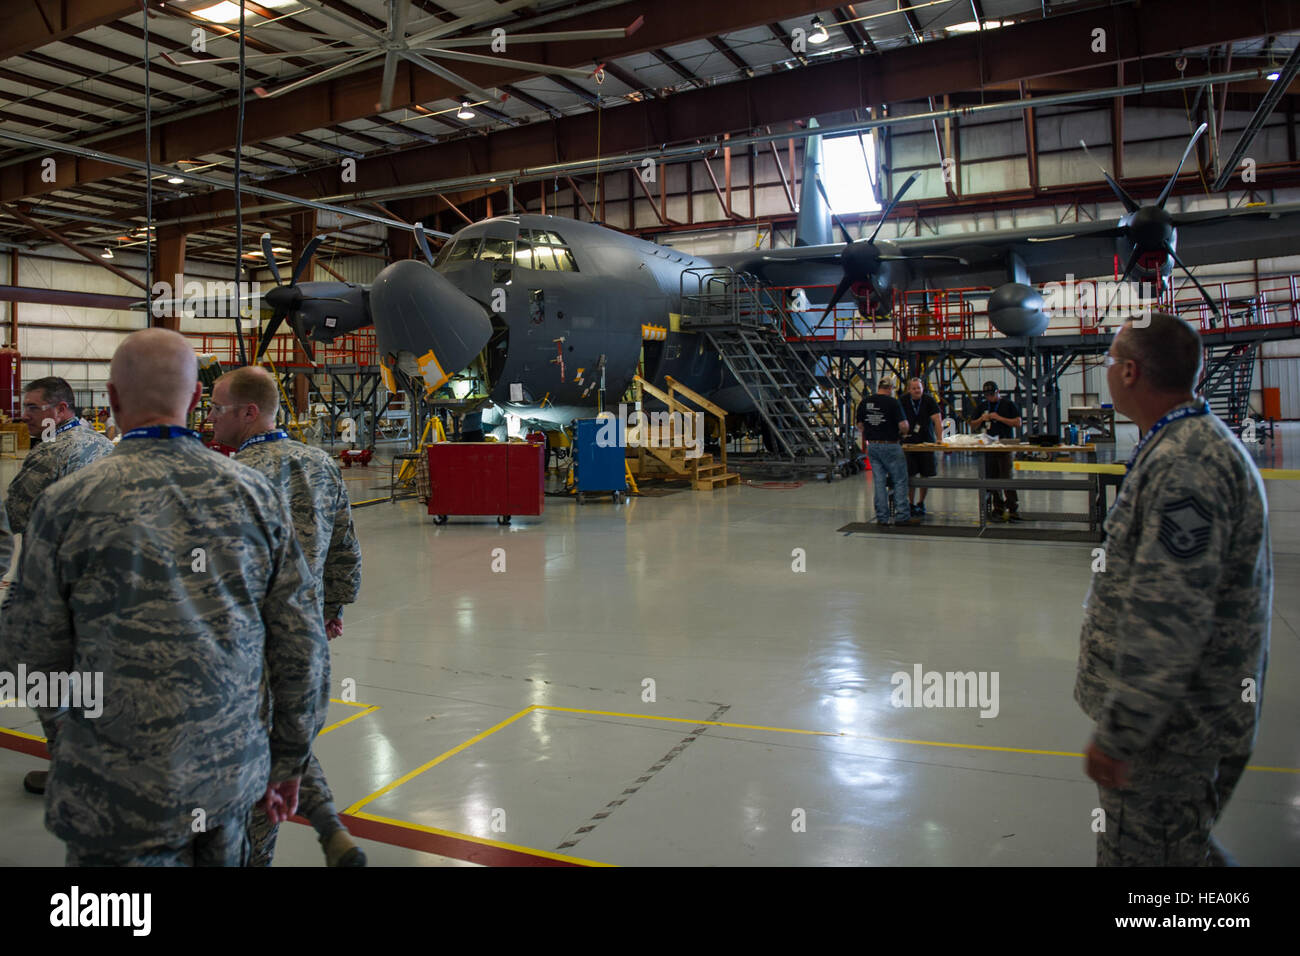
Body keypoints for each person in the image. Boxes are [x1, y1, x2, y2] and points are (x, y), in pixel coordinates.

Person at [0, 328, 328, 866]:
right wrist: (289, 760)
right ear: (197, 398)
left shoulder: (65, 504)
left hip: (112, 787)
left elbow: (28, 650)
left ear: (110, 398)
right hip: (226, 777)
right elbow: (302, 646)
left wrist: (70, 731)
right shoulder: (255, 497)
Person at [1076, 313, 1271, 866]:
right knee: (1182, 853)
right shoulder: (1178, 444)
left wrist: (1122, 732)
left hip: (1170, 733)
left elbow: (1169, 619)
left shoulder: (1185, 463)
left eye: (1110, 360)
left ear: (1131, 372)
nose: (1107, 370)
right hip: (1176, 722)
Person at [210, 365, 365, 868]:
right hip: (306, 644)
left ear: (249, 413)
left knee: (247, 762)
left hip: (244, 648)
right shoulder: (320, 463)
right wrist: (331, 608)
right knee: (287, 744)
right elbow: (345, 549)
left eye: (216, 408)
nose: (209, 418)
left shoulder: (231, 477)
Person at [5, 376, 114, 794]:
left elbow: (16, 515)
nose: (25, 415)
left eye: (34, 408)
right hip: (101, 584)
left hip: (53, 586)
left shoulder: (50, 454)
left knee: (43, 677)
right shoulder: (104, 446)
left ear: (61, 409)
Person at [857, 378, 914, 526]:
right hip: (891, 445)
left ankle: (882, 517)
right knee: (900, 480)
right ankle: (902, 516)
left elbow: (860, 425)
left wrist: (872, 433)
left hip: (873, 447)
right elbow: (903, 425)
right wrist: (904, 431)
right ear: (890, 388)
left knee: (879, 482)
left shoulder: (864, 402)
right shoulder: (893, 402)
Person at [973, 381, 1022, 521]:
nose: (990, 398)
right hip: (988, 446)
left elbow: (1018, 422)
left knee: (1006, 477)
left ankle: (1013, 507)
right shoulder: (982, 406)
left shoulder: (1008, 405)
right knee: (992, 478)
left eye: (992, 394)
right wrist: (981, 419)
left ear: (998, 392)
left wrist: (999, 418)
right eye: (987, 395)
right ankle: (998, 507)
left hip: (1004, 445)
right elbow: (972, 424)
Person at [900, 377, 944, 517]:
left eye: (918, 388)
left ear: (922, 388)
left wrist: (939, 439)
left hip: (926, 443)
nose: (916, 390)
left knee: (926, 475)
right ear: (909, 389)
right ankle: (911, 503)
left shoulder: (929, 400)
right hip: (909, 444)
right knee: (910, 475)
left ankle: (921, 502)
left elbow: (937, 419)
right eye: (913, 388)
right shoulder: (903, 401)